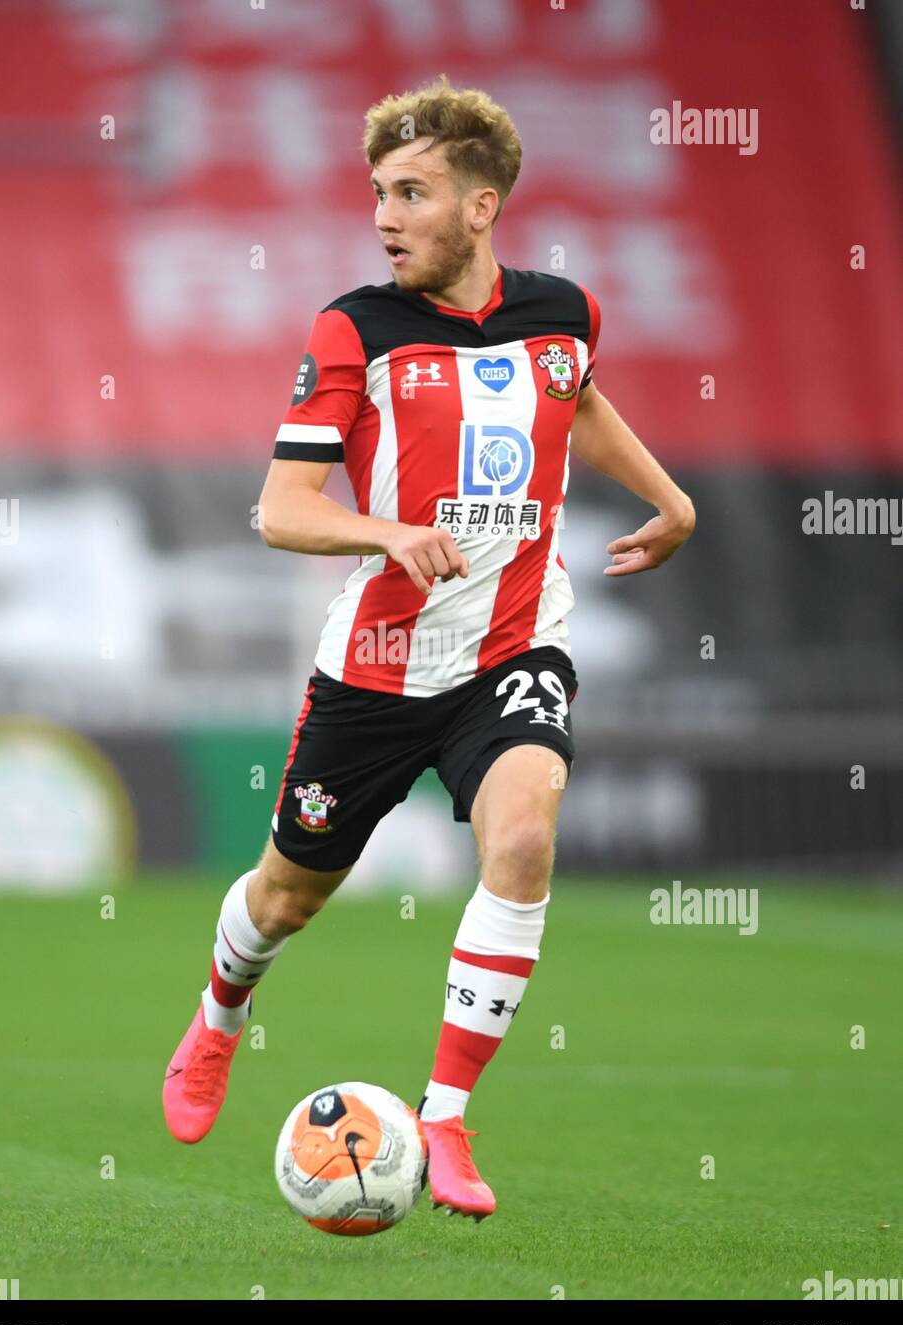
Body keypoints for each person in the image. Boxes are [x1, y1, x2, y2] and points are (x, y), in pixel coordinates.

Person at [163, 74, 695, 1221]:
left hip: (514, 645)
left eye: (412, 192)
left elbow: (577, 398)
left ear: (482, 205)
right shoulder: (354, 327)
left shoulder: (563, 311)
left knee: (524, 831)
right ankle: (217, 1018)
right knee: (287, 897)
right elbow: (282, 507)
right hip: (374, 667)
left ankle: (445, 1121)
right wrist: (386, 529)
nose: (385, 216)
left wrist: (669, 499)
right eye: (377, 193)